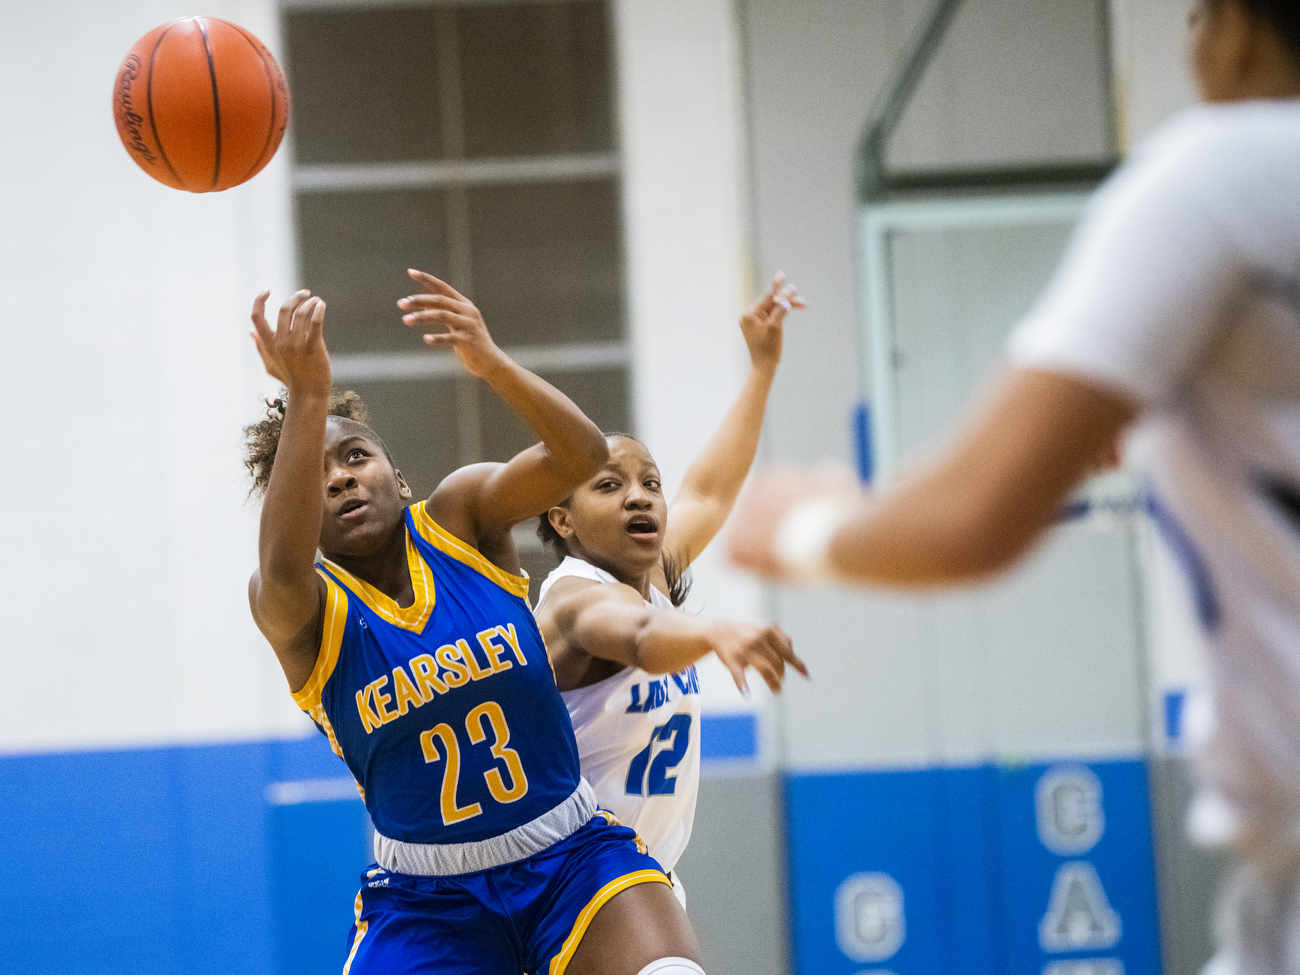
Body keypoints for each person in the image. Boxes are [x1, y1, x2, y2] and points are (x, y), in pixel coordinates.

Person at [727, 1, 1300, 972]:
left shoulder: (1222, 171)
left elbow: (968, 519)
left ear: (1237, 26)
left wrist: (800, 528)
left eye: (1195, 17)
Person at [244, 269, 707, 975]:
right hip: (428, 898)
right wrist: (307, 395)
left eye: (358, 456)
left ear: (400, 479)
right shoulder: (304, 611)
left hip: (570, 854)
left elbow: (582, 456)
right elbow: (278, 568)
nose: (339, 477)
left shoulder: (460, 519)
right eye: (315, 473)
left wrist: (490, 359)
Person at [532, 275, 808, 898]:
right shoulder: (575, 596)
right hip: (568, 884)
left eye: (650, 483)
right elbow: (639, 634)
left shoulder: (649, 575)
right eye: (609, 485)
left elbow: (709, 491)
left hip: (639, 879)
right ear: (562, 518)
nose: (640, 495)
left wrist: (762, 366)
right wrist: (712, 630)